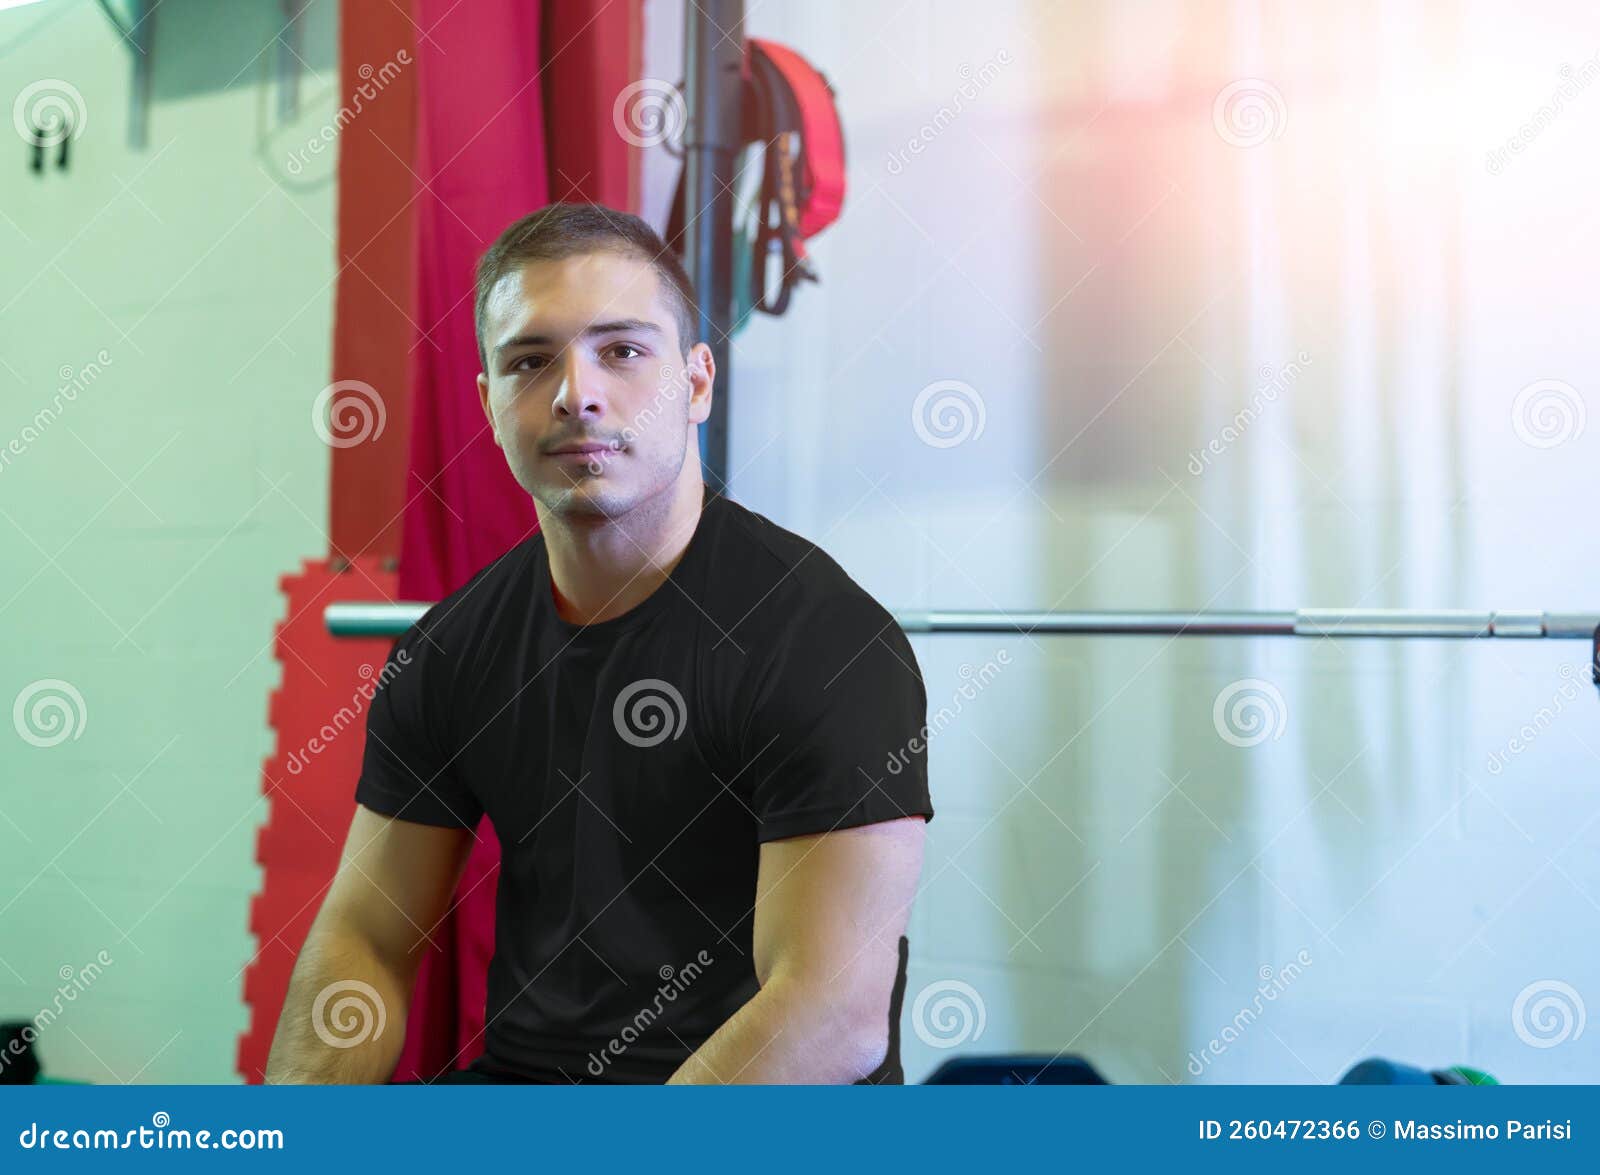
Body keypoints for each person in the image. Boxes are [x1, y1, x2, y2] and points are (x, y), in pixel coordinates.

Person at [265, 203, 933, 1085]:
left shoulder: (827, 641)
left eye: (622, 351)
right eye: (531, 360)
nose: (576, 391)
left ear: (697, 384)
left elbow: (830, 1014)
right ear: (489, 403)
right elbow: (366, 938)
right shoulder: (450, 651)